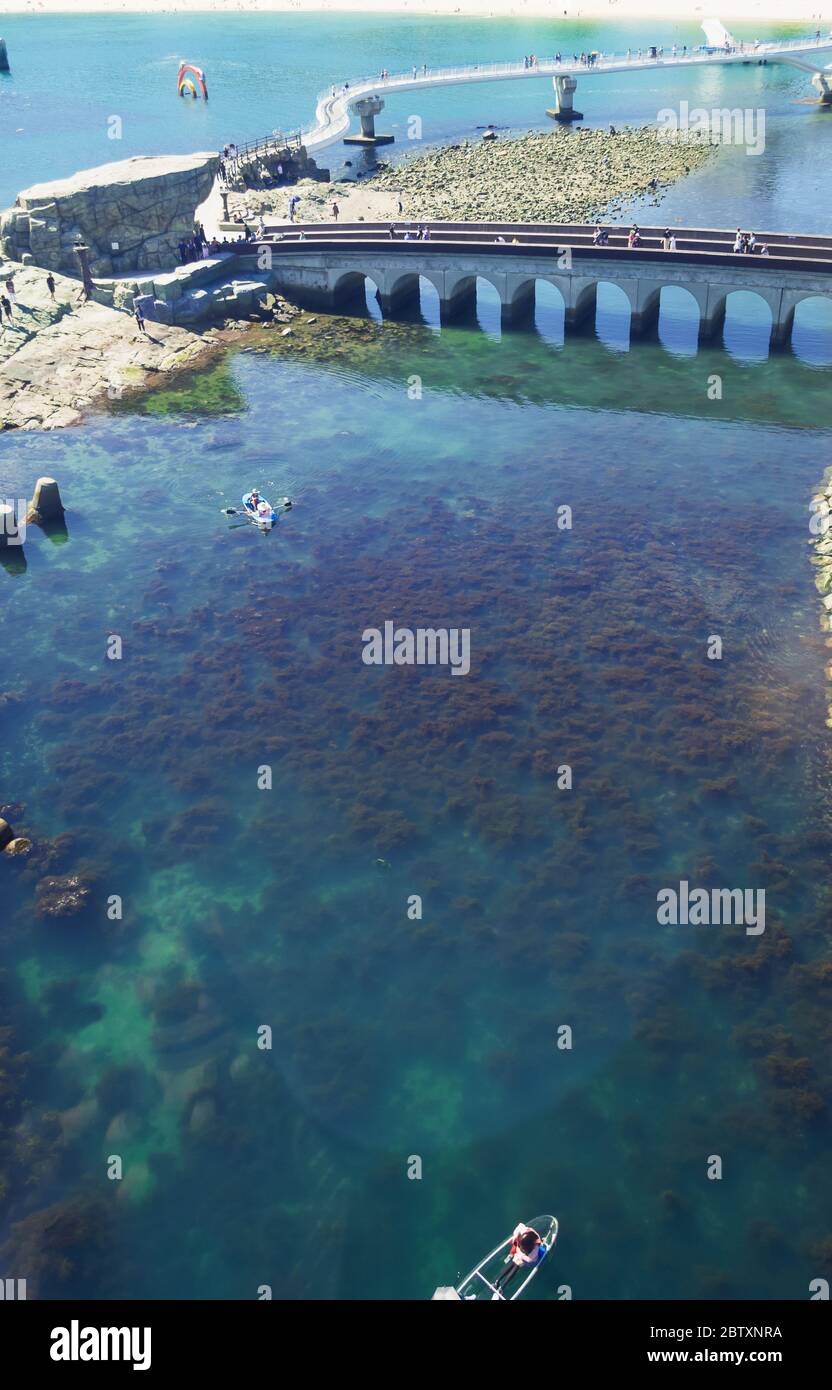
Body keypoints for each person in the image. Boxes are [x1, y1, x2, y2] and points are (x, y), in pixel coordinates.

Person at [491, 1225, 547, 1299]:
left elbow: (530, 1260)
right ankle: (497, 1282)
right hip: (523, 1253)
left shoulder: (535, 1248)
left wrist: (520, 1253)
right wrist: (515, 1238)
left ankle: (501, 1287)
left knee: (517, 1264)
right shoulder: (526, 1231)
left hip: (528, 1259)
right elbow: (520, 1226)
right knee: (514, 1262)